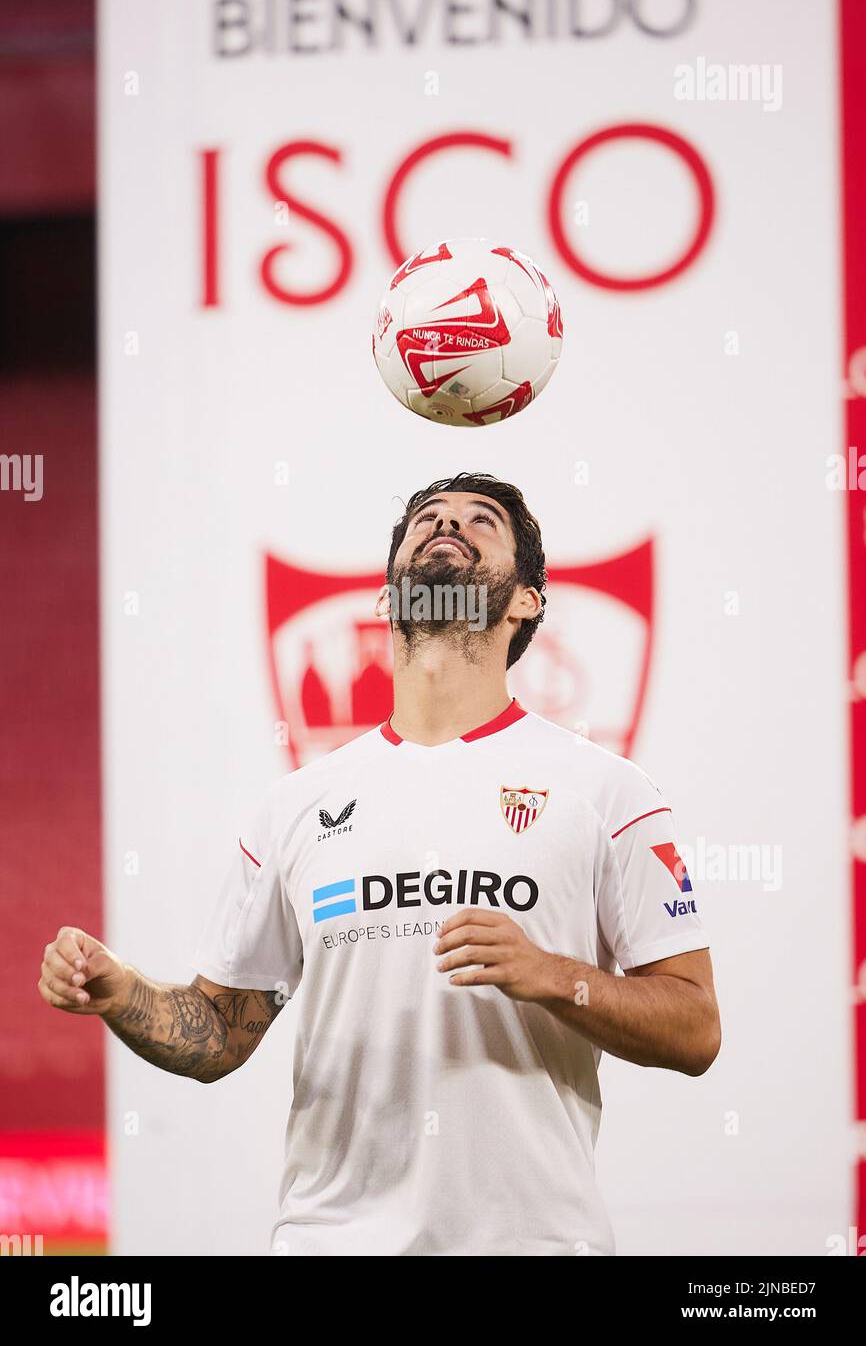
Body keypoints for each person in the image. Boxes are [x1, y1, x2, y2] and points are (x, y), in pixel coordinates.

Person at [38, 471, 721, 1256]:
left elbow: (696, 1026)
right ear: (390, 598)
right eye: (426, 519)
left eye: (480, 522)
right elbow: (219, 1036)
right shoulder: (296, 805)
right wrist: (122, 994)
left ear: (528, 600)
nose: (447, 525)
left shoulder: (607, 790)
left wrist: (556, 975)